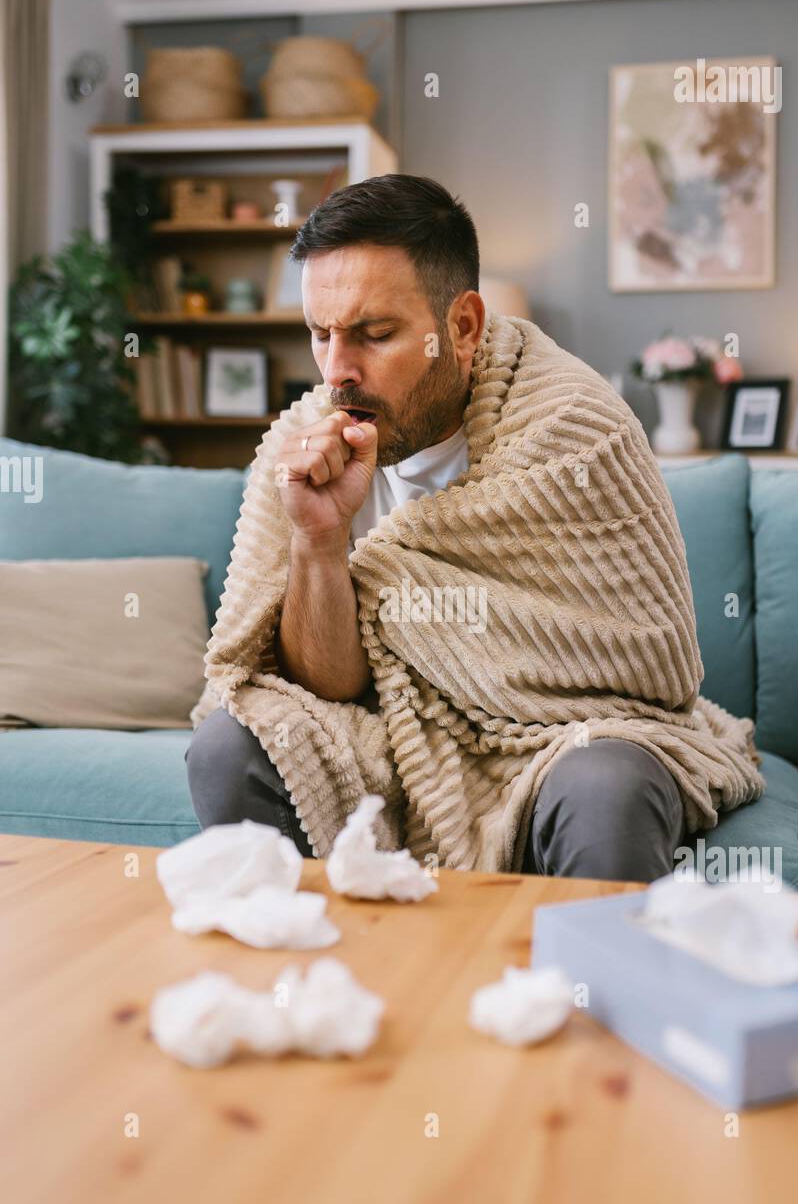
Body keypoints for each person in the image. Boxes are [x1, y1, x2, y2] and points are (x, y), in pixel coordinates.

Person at [186, 174, 762, 881]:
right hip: (384, 735)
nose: (338, 372)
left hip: (559, 740)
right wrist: (320, 541)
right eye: (319, 334)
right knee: (228, 744)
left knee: (606, 786)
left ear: (461, 328)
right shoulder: (306, 445)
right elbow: (322, 689)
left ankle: (589, 991)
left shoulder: (575, 430)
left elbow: (651, 664)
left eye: (374, 334)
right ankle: (305, 982)